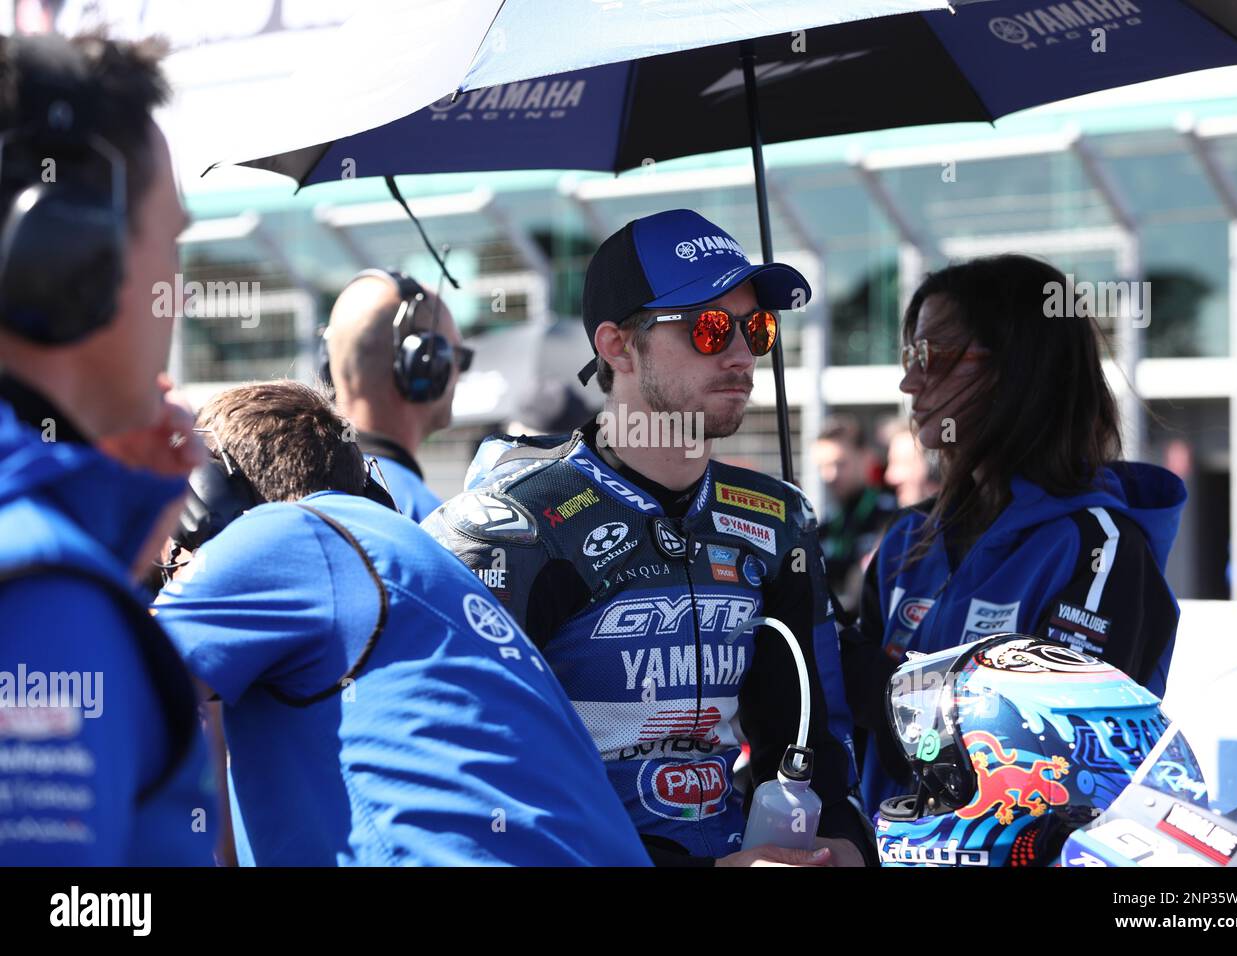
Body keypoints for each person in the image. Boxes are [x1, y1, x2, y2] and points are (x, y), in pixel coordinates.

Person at [426, 208, 867, 867]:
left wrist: (847, 853)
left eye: (757, 328)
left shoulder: (778, 522)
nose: (742, 353)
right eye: (710, 327)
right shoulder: (516, 525)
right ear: (616, 346)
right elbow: (474, 792)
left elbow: (814, 748)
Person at [153, 381, 650, 866]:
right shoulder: (403, 558)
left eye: (178, 538)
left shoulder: (290, 532)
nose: (173, 565)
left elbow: (115, 675)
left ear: (210, 500)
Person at [842, 254, 1187, 820]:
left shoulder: (1101, 547)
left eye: (933, 355)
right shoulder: (909, 537)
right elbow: (857, 746)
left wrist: (862, 676)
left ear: (1017, 371)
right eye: (911, 355)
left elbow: (1050, 751)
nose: (909, 379)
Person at [0, 33, 214, 865]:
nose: (181, 289)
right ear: (69, 252)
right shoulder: (39, 590)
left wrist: (111, 547)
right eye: (174, 242)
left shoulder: (53, 576)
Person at [322, 269, 471, 522]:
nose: (461, 371)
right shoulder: (430, 521)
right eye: (457, 357)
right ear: (425, 364)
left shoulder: (282, 492)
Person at [812, 415, 895, 616]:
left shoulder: (891, 515)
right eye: (823, 467)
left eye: (840, 464)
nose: (830, 475)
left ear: (865, 457)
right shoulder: (826, 522)